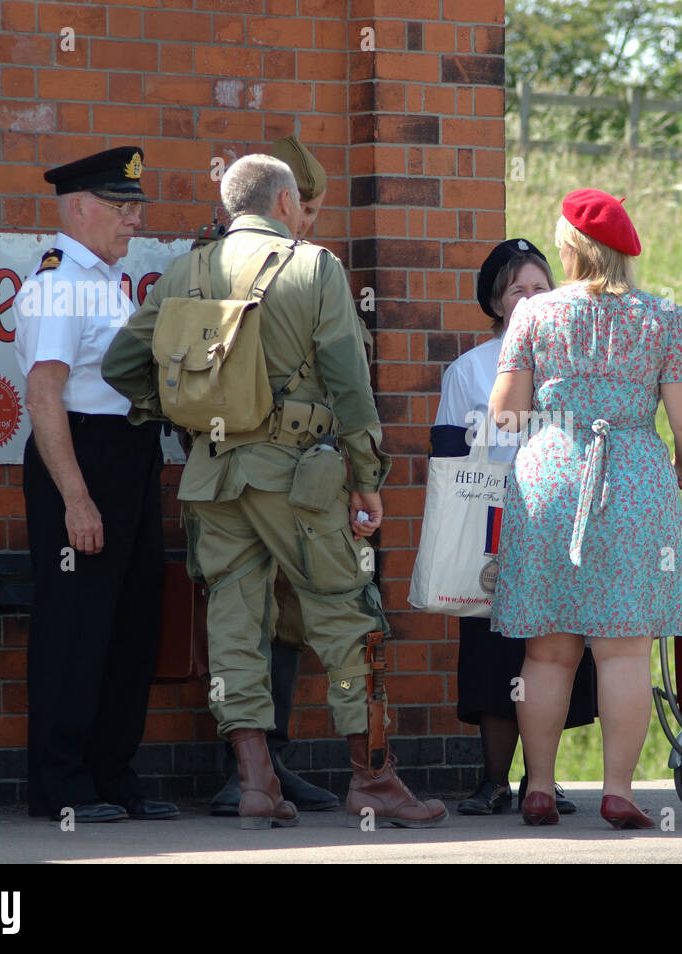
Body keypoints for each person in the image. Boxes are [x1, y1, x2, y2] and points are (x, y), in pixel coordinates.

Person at [103, 153, 447, 829]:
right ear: (285, 202)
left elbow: (122, 364)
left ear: (235, 207)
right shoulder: (314, 267)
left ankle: (257, 783)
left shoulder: (183, 271)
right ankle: (372, 778)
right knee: (347, 620)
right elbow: (350, 384)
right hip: (297, 478)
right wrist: (369, 480)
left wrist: (177, 415)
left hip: (213, 479)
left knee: (235, 625)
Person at [489, 188, 682, 829]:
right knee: (623, 652)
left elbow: (506, 412)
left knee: (546, 653)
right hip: (634, 486)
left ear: (569, 249)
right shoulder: (666, 318)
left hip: (549, 480)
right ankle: (618, 791)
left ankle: (538, 785)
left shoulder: (533, 314)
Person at [13, 146, 179, 823]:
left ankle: (113, 774)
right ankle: (61, 784)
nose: (134, 218)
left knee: (132, 623)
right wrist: (77, 498)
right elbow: (45, 395)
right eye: (121, 205)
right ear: (79, 208)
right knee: (75, 627)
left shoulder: (103, 279)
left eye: (136, 205)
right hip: (80, 456)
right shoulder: (58, 285)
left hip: (130, 455)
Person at [197, 138, 341, 817]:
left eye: (315, 211)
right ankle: (243, 769)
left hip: (298, 469)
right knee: (243, 614)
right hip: (247, 470)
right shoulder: (219, 265)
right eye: (304, 207)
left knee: (282, 619)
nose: (308, 221)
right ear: (281, 202)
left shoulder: (310, 268)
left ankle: (270, 763)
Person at [433, 238, 597, 816]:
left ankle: (541, 782)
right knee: (492, 652)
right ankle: (493, 781)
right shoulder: (468, 370)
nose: (530, 299)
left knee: (553, 648)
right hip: (492, 525)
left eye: (540, 288)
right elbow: (448, 460)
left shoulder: (576, 363)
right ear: (496, 302)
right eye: (517, 290)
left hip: (555, 524)